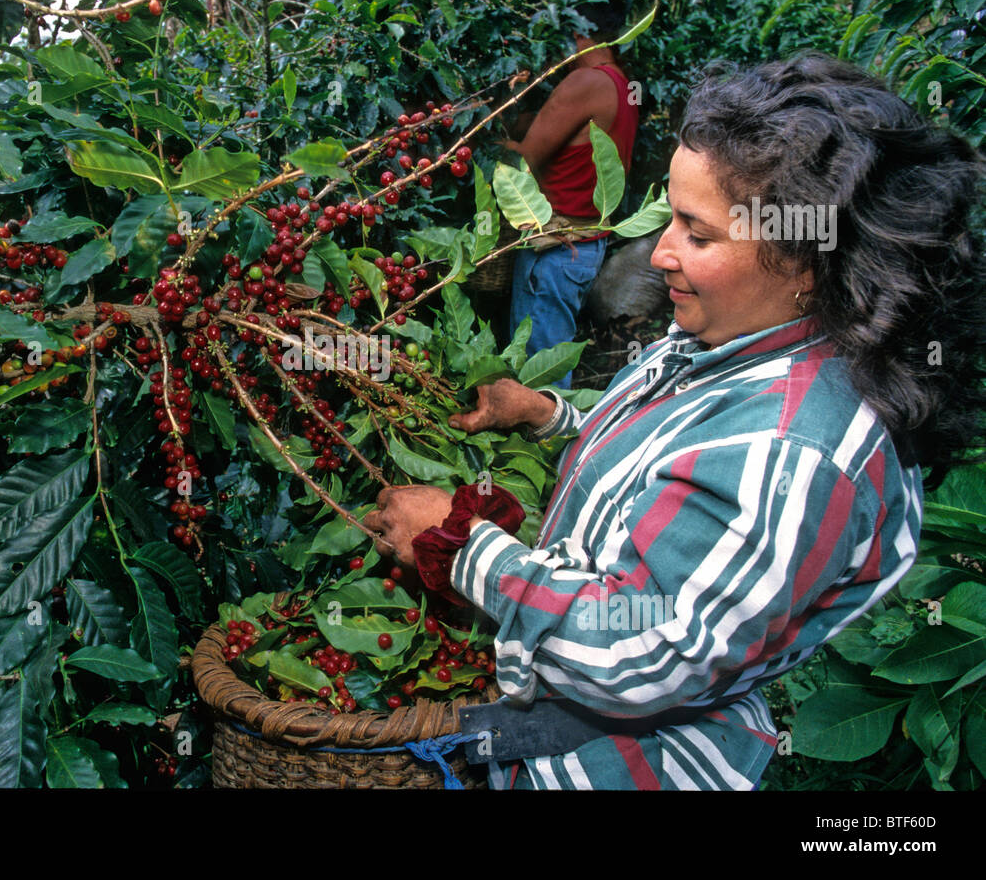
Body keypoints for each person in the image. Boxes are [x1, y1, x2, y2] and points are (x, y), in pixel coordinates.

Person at [366, 53, 986, 789]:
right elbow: (675, 448)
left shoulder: (794, 452)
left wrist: (459, 544)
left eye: (697, 233)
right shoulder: (735, 337)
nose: (660, 252)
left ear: (806, 260)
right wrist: (547, 413)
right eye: (670, 217)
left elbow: (638, 650)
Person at [500, 0, 640, 387]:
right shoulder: (621, 85)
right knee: (548, 359)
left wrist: (475, 139)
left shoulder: (586, 81)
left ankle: (549, 443)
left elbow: (525, 161)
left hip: (556, 247)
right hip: (584, 246)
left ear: (579, 33)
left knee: (539, 372)